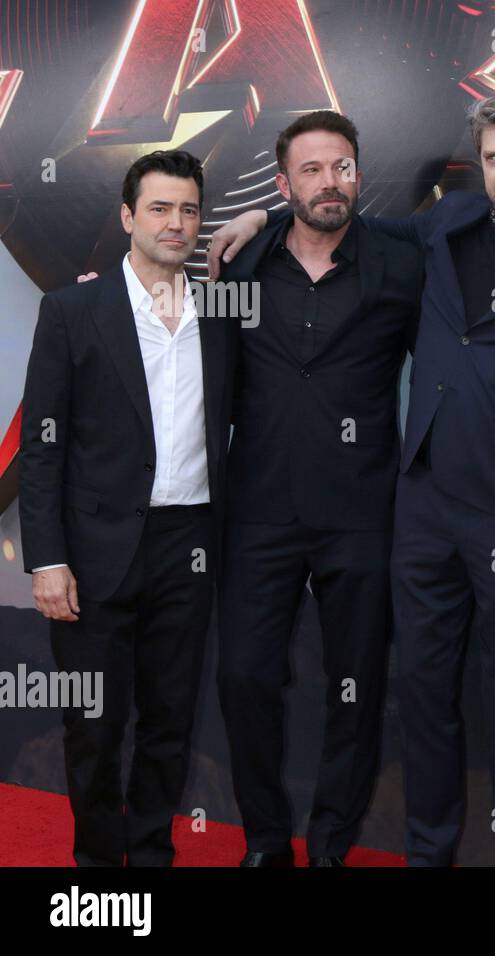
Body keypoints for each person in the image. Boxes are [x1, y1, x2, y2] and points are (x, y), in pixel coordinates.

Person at [212, 91, 495, 867]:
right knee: (424, 697)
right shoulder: (442, 225)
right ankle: (428, 854)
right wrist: (260, 215)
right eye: (493, 158)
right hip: (424, 503)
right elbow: (336, 223)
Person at [207, 111, 423, 867]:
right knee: (243, 676)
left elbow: (476, 279)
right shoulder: (239, 264)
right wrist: (254, 218)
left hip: (361, 514)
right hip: (257, 510)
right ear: (283, 183)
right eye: (311, 170)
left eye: (342, 167)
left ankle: (330, 843)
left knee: (356, 685)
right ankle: (266, 841)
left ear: (359, 174)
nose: (330, 182)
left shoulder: (402, 260)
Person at [19, 150, 236, 866]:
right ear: (127, 217)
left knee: (171, 721)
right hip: (92, 551)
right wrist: (47, 558)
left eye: (189, 211)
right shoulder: (73, 310)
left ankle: (151, 859)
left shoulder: (223, 311)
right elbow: (44, 447)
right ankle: (100, 874)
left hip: (190, 546)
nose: (176, 224)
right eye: (160, 209)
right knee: (94, 725)